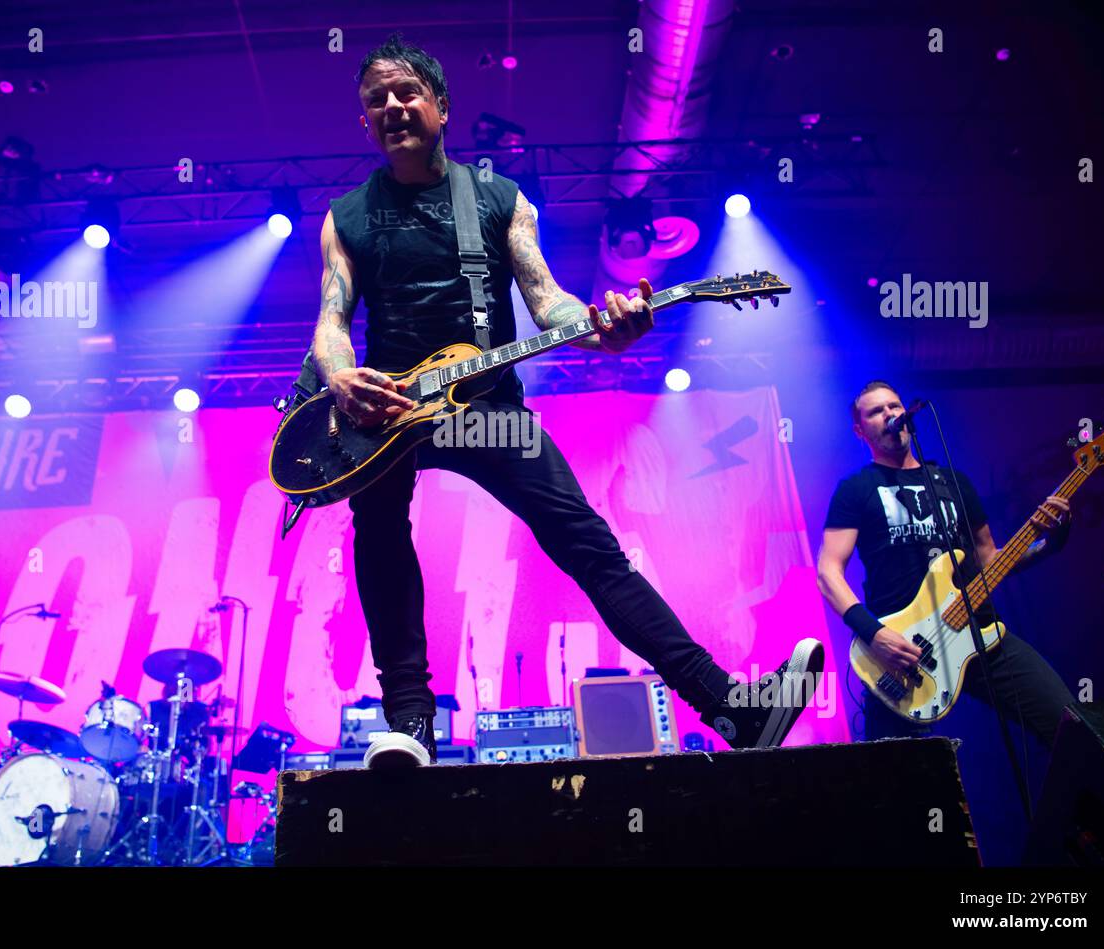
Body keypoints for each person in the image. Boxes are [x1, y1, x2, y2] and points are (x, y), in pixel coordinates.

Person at [312, 33, 824, 767]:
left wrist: (604, 332)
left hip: (487, 408)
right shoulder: (347, 217)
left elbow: (548, 302)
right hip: (391, 412)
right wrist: (339, 377)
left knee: (590, 550)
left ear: (441, 107)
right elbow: (332, 318)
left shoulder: (497, 201)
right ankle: (412, 728)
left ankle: (735, 711)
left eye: (406, 93)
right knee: (379, 533)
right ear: (364, 123)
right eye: (375, 101)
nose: (391, 106)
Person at [816, 380, 1075, 744]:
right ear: (860, 430)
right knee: (891, 776)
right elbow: (828, 572)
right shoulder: (856, 489)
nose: (890, 414)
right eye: (876, 411)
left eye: (894, 405)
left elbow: (990, 559)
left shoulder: (953, 482)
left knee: (1072, 729)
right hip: (901, 652)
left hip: (978, 631)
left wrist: (1051, 541)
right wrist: (874, 634)